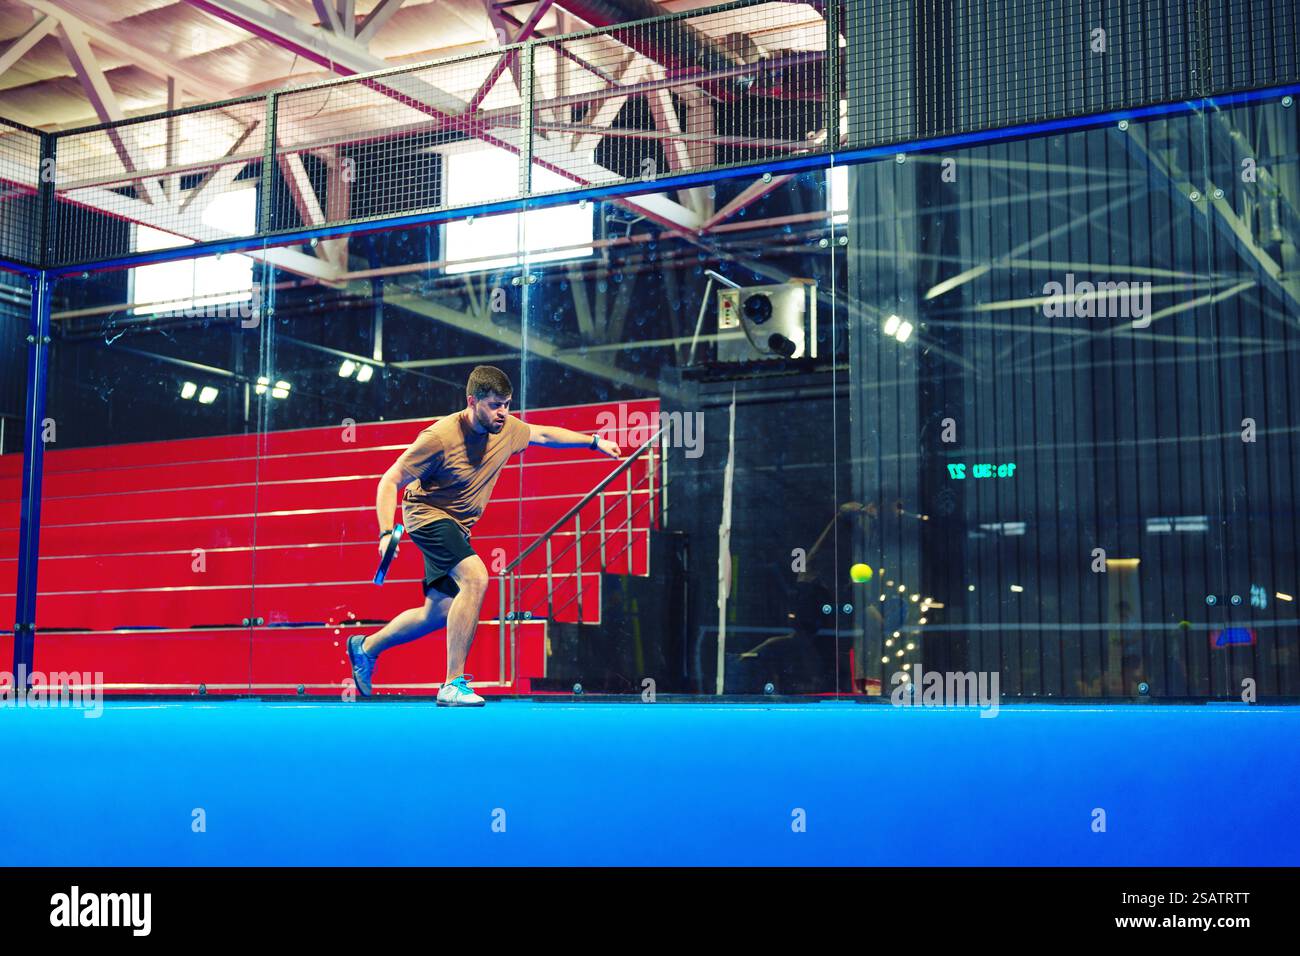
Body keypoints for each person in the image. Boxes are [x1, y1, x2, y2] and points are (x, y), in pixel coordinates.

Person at [347, 366, 622, 704]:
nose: (502, 412)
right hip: (425, 515)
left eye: (506, 404)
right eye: (494, 405)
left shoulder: (506, 429)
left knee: (437, 612)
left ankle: (365, 647)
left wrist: (594, 442)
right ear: (472, 401)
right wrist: (386, 531)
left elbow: (546, 436)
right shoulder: (439, 437)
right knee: (476, 577)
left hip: (457, 527)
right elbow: (390, 480)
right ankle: (452, 683)